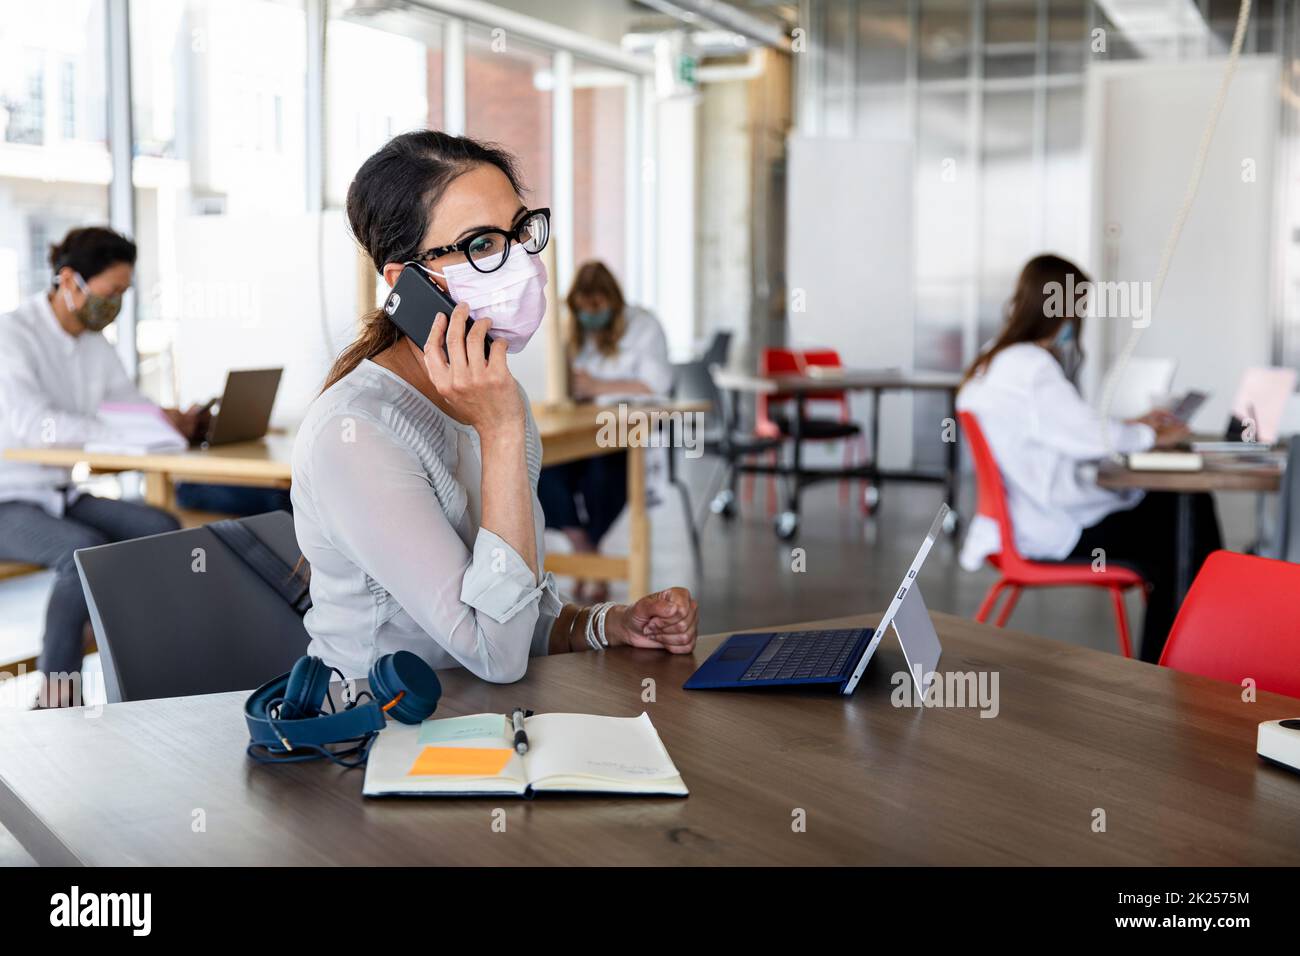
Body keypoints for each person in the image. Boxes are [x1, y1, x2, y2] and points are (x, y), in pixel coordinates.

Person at [290, 130, 697, 682]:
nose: (519, 263)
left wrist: (609, 624)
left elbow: (516, 610)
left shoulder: (491, 396)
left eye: (519, 231)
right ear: (406, 282)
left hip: (485, 723)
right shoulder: (358, 432)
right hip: (373, 734)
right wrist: (501, 432)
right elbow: (494, 653)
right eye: (481, 244)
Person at [956, 253, 1221, 663]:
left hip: (1025, 518)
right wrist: (1151, 433)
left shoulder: (994, 360)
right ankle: (1182, 660)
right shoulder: (1032, 368)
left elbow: (1067, 429)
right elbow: (1088, 437)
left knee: (1175, 515)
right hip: (1057, 528)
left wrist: (1132, 426)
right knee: (1184, 516)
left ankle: (1186, 652)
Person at [0, 226, 206, 706]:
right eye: (111, 292)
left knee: (162, 527)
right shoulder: (13, 335)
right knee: (82, 556)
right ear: (70, 281)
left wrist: (167, 422)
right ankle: (57, 696)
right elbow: (37, 427)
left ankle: (143, 671)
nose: (115, 304)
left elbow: (127, 408)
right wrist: (114, 427)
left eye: (124, 294)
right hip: (9, 499)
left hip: (59, 495)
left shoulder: (95, 345)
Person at [536, 261, 672, 601]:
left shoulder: (643, 326)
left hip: (619, 430)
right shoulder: (571, 332)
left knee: (603, 475)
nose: (590, 318)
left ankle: (587, 554)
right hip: (577, 425)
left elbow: (659, 384)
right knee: (541, 467)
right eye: (583, 311)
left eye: (597, 309)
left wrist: (600, 384)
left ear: (613, 302)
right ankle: (586, 549)